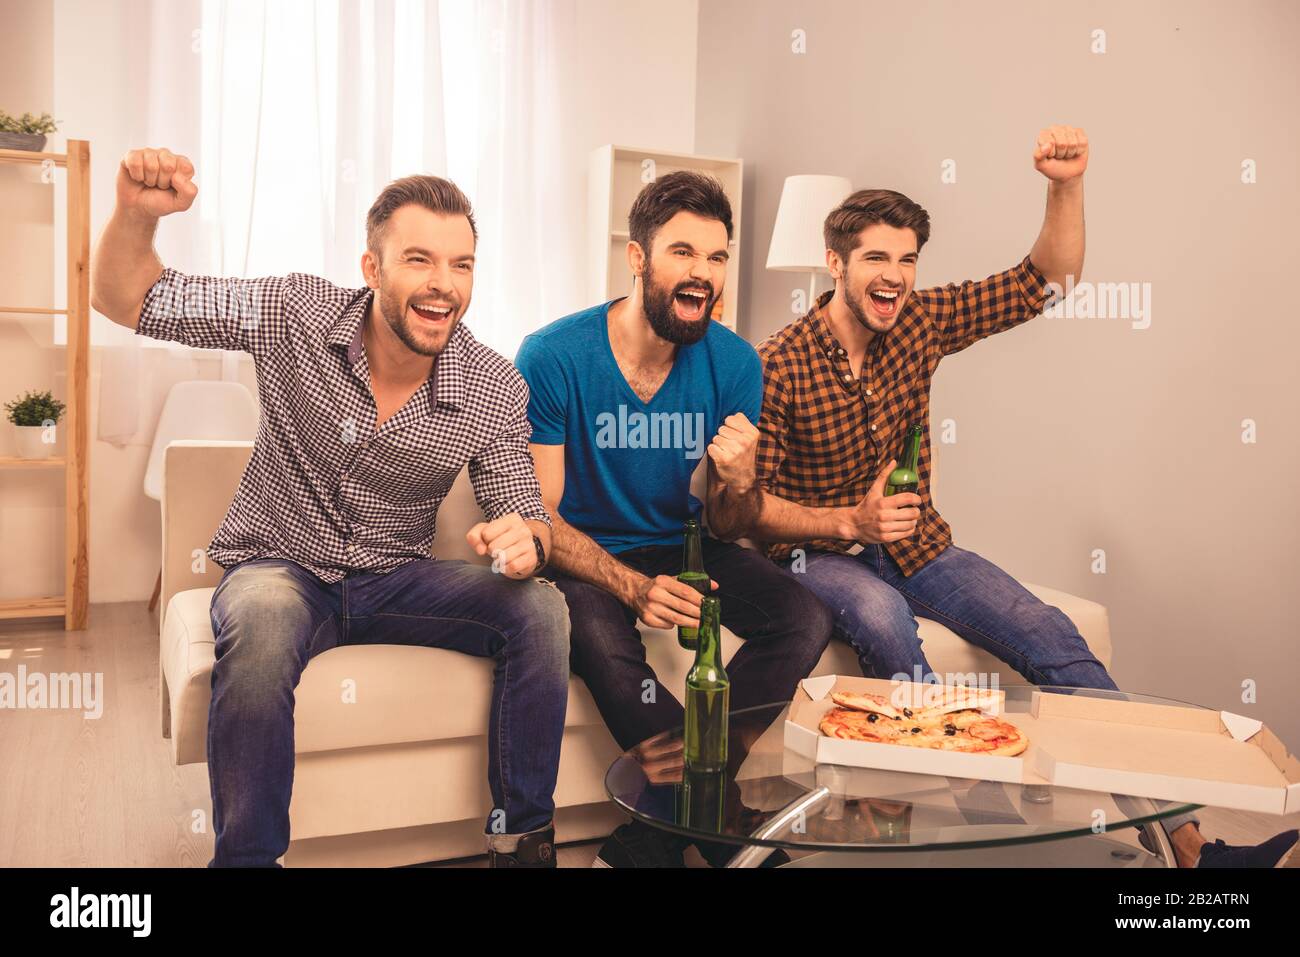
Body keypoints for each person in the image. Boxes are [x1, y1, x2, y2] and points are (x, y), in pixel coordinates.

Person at [743, 127, 1296, 868]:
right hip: (818, 554)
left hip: (915, 543)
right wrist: (850, 519)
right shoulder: (776, 362)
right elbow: (752, 510)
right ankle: (991, 828)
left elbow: (1046, 280)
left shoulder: (920, 322)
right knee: (886, 626)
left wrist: (1064, 185)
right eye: (877, 257)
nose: (896, 275)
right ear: (835, 261)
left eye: (908, 260)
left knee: (1050, 632)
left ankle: (1193, 847)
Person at [91, 148, 569, 868]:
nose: (444, 285)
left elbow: (522, 503)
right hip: (281, 566)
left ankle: (521, 843)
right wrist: (135, 216)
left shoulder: (494, 385)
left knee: (542, 609)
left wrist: (528, 536)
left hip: (397, 577)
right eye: (419, 259)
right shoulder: (294, 313)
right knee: (262, 614)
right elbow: (129, 298)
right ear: (372, 267)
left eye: (462, 264)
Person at [515, 171, 833, 867]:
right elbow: (541, 512)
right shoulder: (554, 356)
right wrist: (630, 587)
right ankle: (726, 830)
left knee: (805, 615)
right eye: (683, 253)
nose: (703, 274)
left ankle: (657, 832)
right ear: (638, 258)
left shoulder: (736, 363)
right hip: (583, 555)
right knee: (595, 630)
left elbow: (727, 520)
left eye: (717, 258)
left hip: (684, 544)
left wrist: (742, 481)